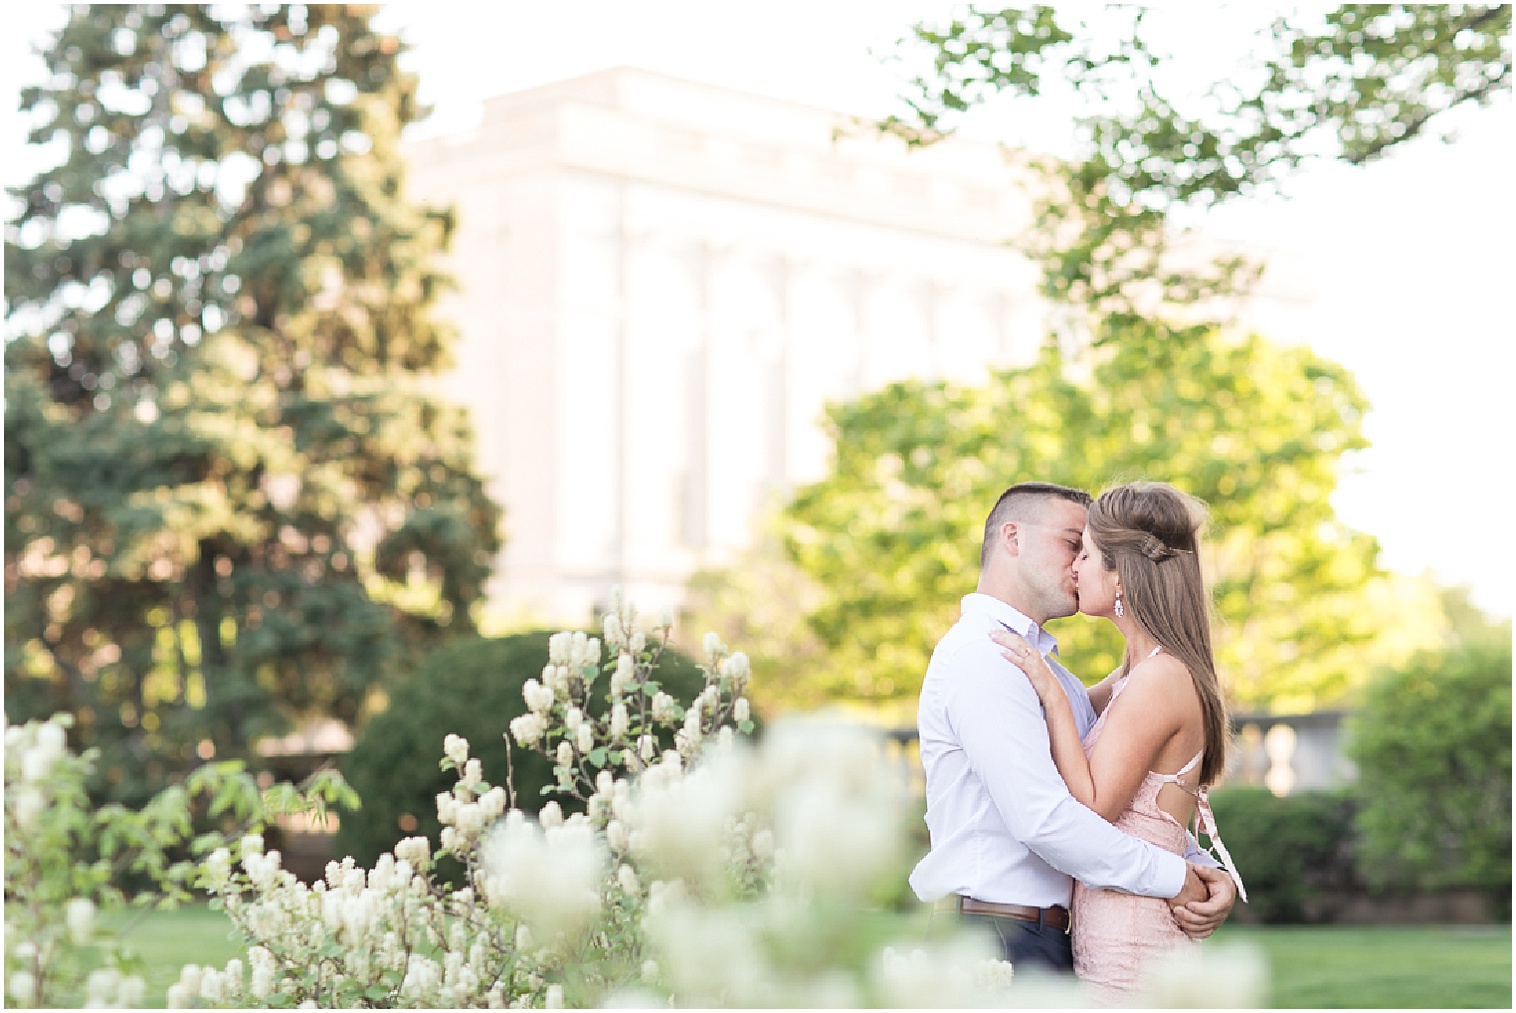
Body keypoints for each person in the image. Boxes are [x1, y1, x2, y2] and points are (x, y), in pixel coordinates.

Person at [909, 481, 1236, 982]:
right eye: (1071, 543)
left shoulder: (1049, 671)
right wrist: (1176, 878)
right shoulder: (984, 656)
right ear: (1012, 538)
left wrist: (1197, 864)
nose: (1079, 562)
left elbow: (1130, 802)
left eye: (1089, 549)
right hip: (993, 936)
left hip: (1046, 937)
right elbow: (1045, 820)